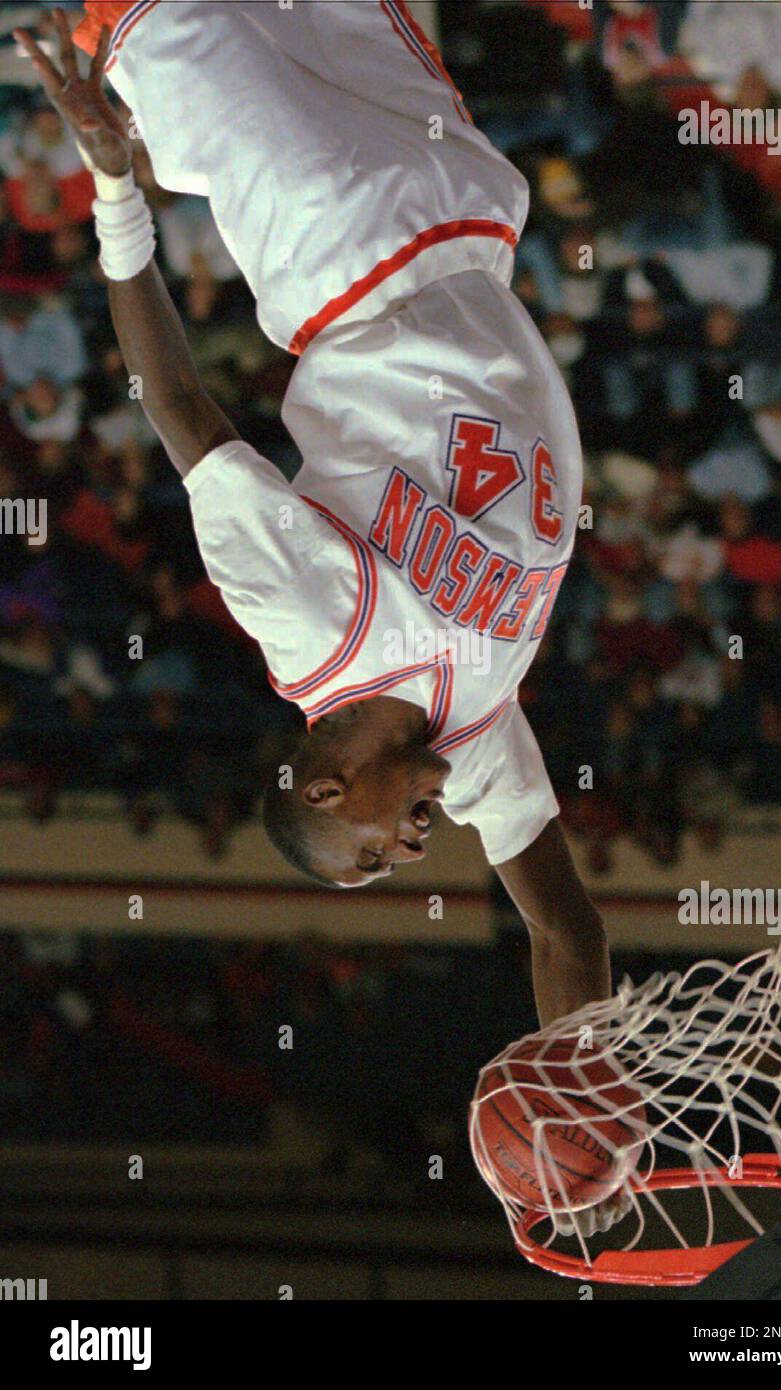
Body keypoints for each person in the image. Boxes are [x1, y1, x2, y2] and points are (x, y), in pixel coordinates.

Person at [17, 3, 615, 1046]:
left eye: (373, 852)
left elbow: (178, 409)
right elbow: (565, 929)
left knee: (162, 15)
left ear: (329, 786)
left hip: (331, 229)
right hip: (469, 216)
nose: (413, 854)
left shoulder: (309, 634)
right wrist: (581, 1110)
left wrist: (116, 189)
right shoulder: (474, 744)